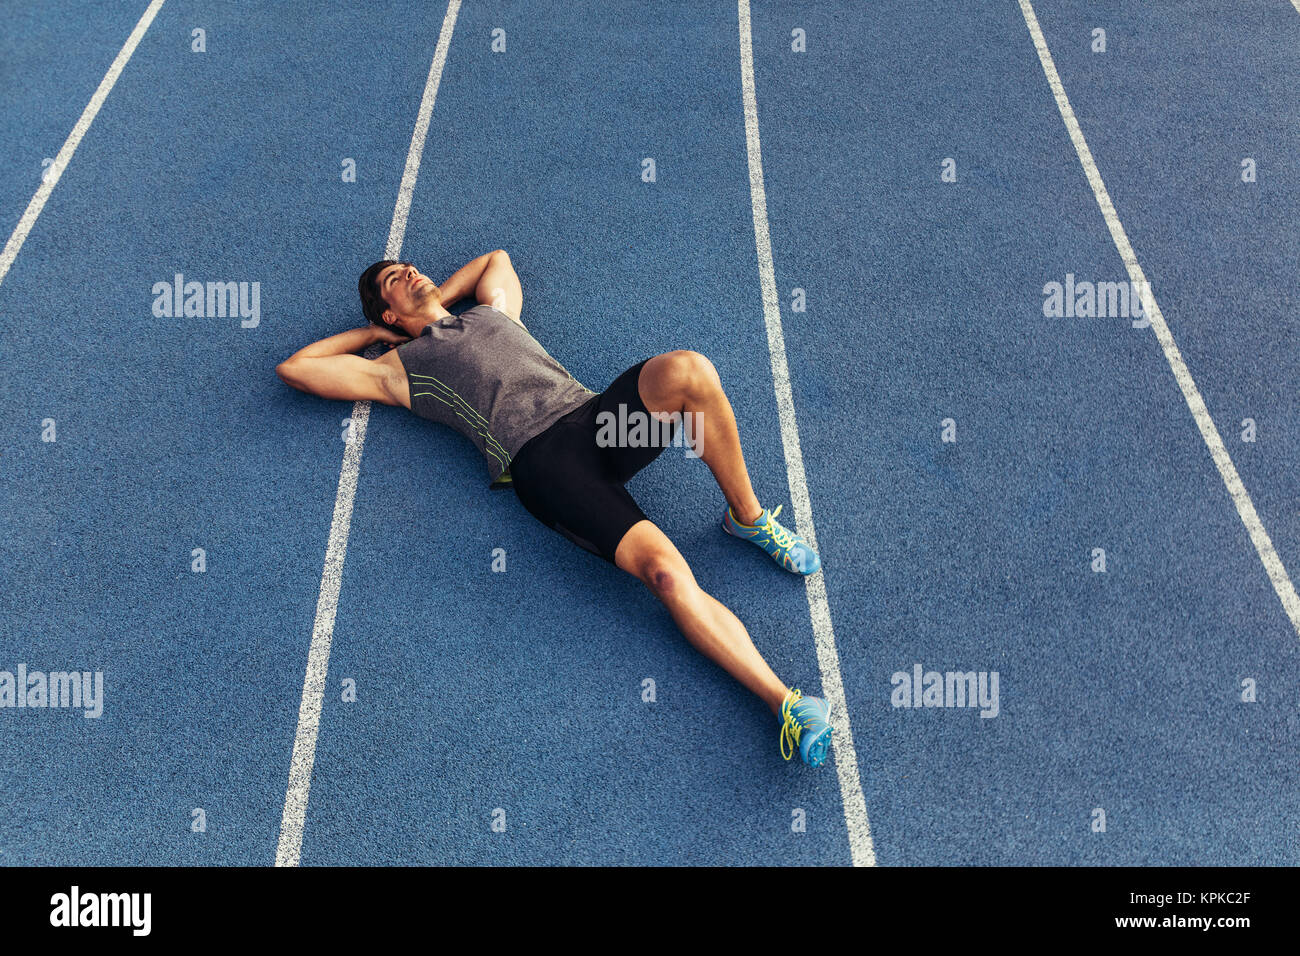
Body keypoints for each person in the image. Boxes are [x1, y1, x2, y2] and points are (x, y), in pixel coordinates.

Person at [275, 249, 833, 766]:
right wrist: (374, 334)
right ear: (389, 314)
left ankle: (749, 518)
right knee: (664, 574)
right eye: (392, 281)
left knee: (689, 371)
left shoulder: (496, 315)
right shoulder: (398, 370)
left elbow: (497, 258)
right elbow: (295, 369)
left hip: (598, 424)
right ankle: (788, 703)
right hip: (544, 465)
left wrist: (438, 302)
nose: (409, 272)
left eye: (408, 266)